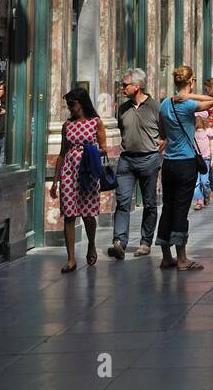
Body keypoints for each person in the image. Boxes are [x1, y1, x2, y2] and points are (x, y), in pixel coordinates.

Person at [156, 66, 213, 271]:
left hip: (169, 163)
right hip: (186, 163)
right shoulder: (188, 104)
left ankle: (166, 256)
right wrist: (189, 93)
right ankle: (182, 259)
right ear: (191, 81)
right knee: (181, 209)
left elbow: (163, 131)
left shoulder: (164, 103)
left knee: (167, 207)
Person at [50, 88, 108, 273]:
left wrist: (90, 151)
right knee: (69, 213)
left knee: (88, 214)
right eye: (68, 105)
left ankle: (91, 244)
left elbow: (104, 148)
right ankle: (71, 259)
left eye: (72, 104)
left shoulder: (95, 122)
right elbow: (61, 153)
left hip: (88, 171)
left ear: (81, 103)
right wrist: (55, 180)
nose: (70, 108)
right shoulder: (67, 125)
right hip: (69, 171)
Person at [109, 68, 162, 260]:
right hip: (127, 160)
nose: (122, 88)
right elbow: (122, 130)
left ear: (137, 87)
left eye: (125, 85)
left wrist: (156, 153)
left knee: (149, 203)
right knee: (122, 201)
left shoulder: (155, 107)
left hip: (149, 159)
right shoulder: (123, 108)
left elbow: (164, 136)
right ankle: (119, 242)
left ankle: (145, 242)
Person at [193, 112, 213, 210]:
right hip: (194, 160)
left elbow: (212, 146)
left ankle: (206, 195)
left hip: (206, 159)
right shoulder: (192, 131)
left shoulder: (208, 131)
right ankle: (199, 200)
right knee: (196, 183)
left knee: (205, 182)